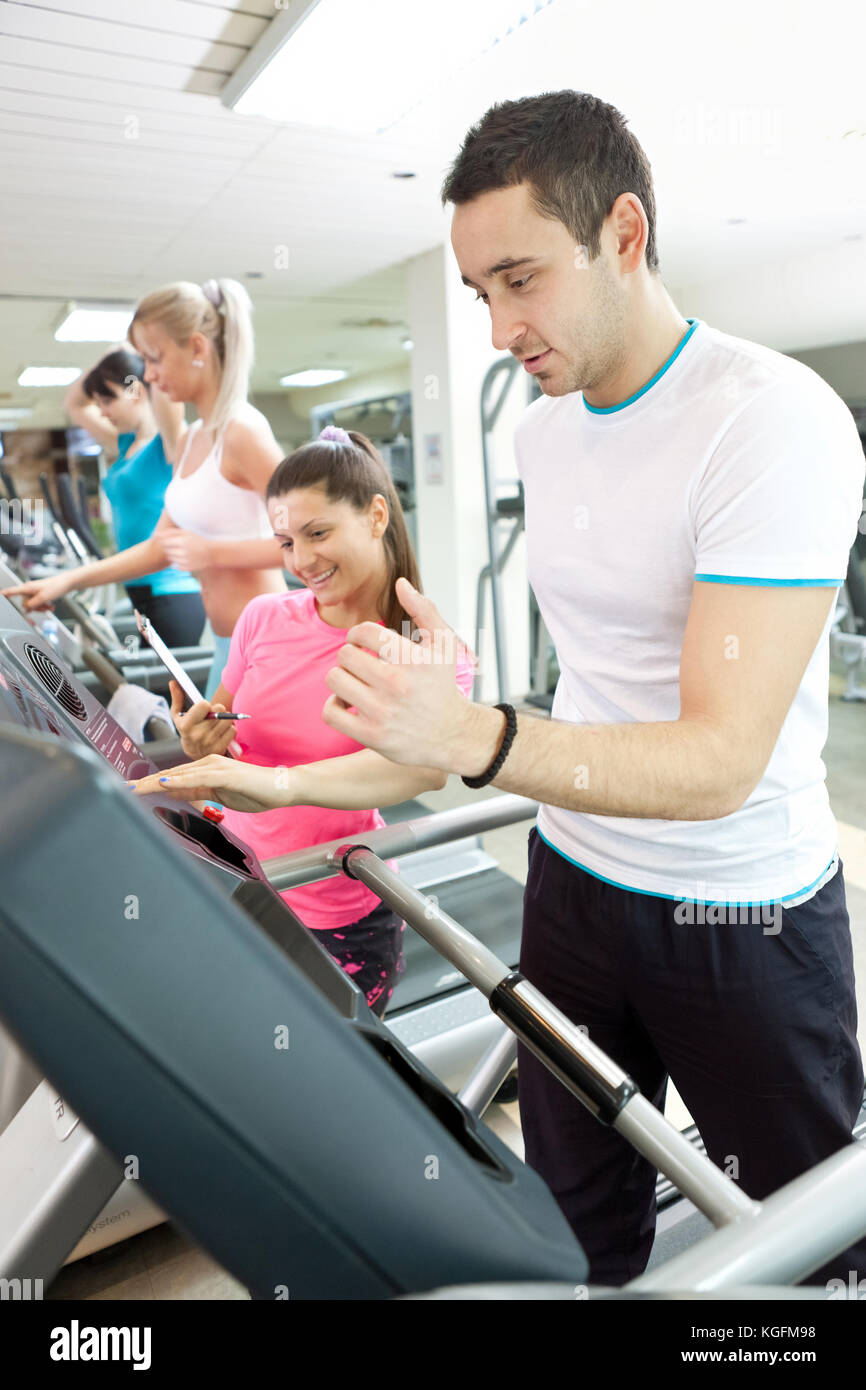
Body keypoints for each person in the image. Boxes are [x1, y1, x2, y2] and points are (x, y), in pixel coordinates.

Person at [310, 91, 866, 1285]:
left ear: (621, 232)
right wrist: (446, 683)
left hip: (739, 914)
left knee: (800, 1246)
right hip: (570, 885)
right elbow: (600, 678)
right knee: (574, 1222)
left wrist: (473, 733)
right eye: (478, 295)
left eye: (520, 278)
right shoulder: (544, 432)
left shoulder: (769, 421)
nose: (500, 327)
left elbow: (717, 759)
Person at [129, 426, 476, 1017]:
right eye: (286, 542)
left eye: (318, 533)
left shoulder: (425, 647)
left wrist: (282, 785)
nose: (302, 561)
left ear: (374, 515)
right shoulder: (263, 617)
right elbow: (226, 722)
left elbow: (418, 772)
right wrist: (201, 737)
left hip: (339, 913)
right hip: (242, 883)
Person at [3, 279, 286, 697]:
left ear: (197, 348)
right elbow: (159, 547)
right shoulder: (192, 441)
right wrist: (65, 582)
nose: (147, 376)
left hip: (268, 641)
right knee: (205, 753)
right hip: (230, 642)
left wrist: (213, 553)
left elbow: (310, 543)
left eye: (154, 358)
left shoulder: (242, 431)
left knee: (218, 759)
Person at [64, 347, 205, 648]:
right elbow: (75, 405)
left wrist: (143, 355)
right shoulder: (124, 443)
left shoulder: (168, 443)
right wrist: (108, 358)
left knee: (170, 695)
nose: (101, 410)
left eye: (108, 400)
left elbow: (168, 405)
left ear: (136, 390)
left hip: (170, 594)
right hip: (141, 593)